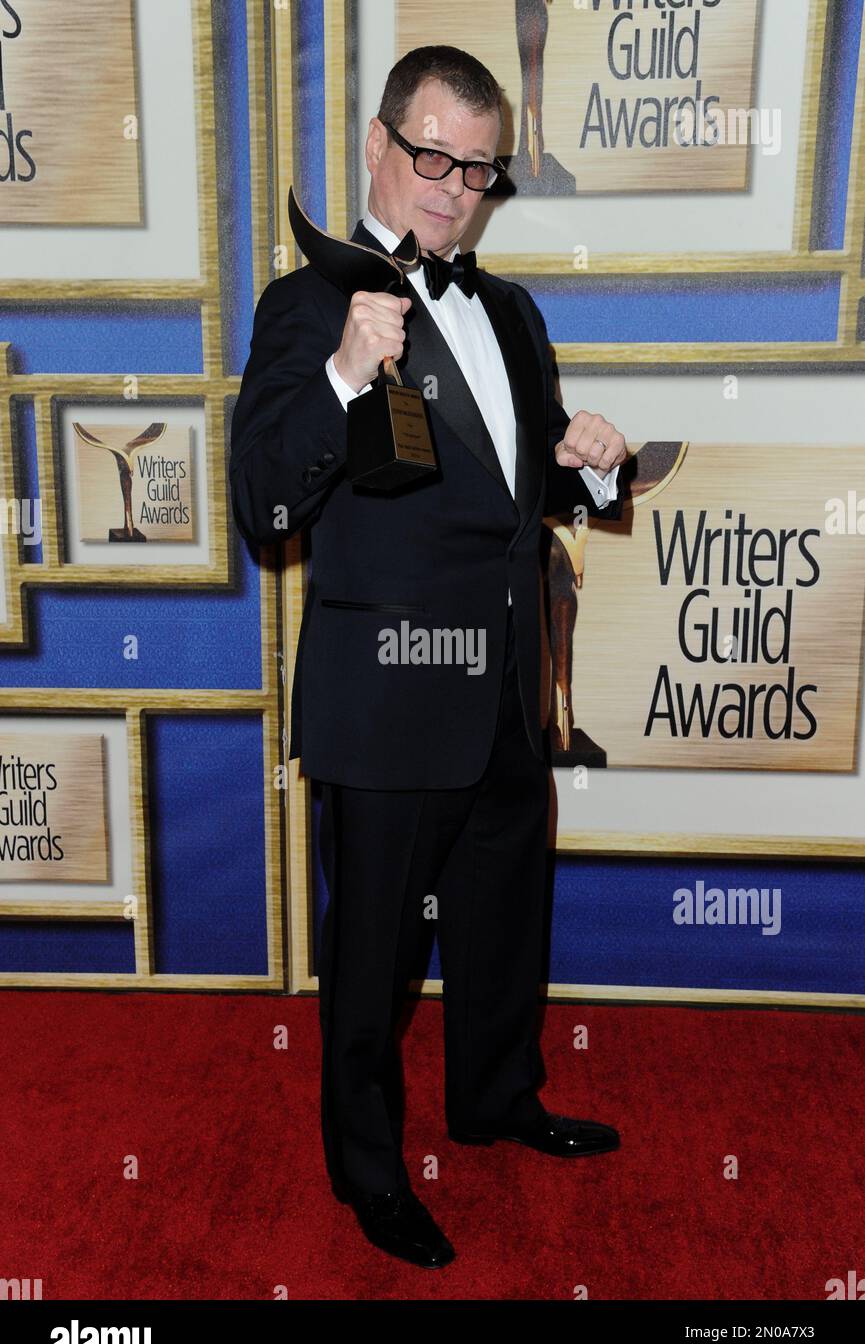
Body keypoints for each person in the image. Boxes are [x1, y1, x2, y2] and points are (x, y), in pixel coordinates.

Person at [230, 45, 629, 1271]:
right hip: (387, 696)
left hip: (508, 684)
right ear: (376, 146)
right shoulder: (306, 305)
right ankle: (366, 1173)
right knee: (374, 957)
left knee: (507, 916)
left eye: (479, 166)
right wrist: (350, 370)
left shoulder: (508, 310)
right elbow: (263, 505)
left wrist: (593, 463)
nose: (455, 187)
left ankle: (497, 1094)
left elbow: (529, 491)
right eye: (431, 156)